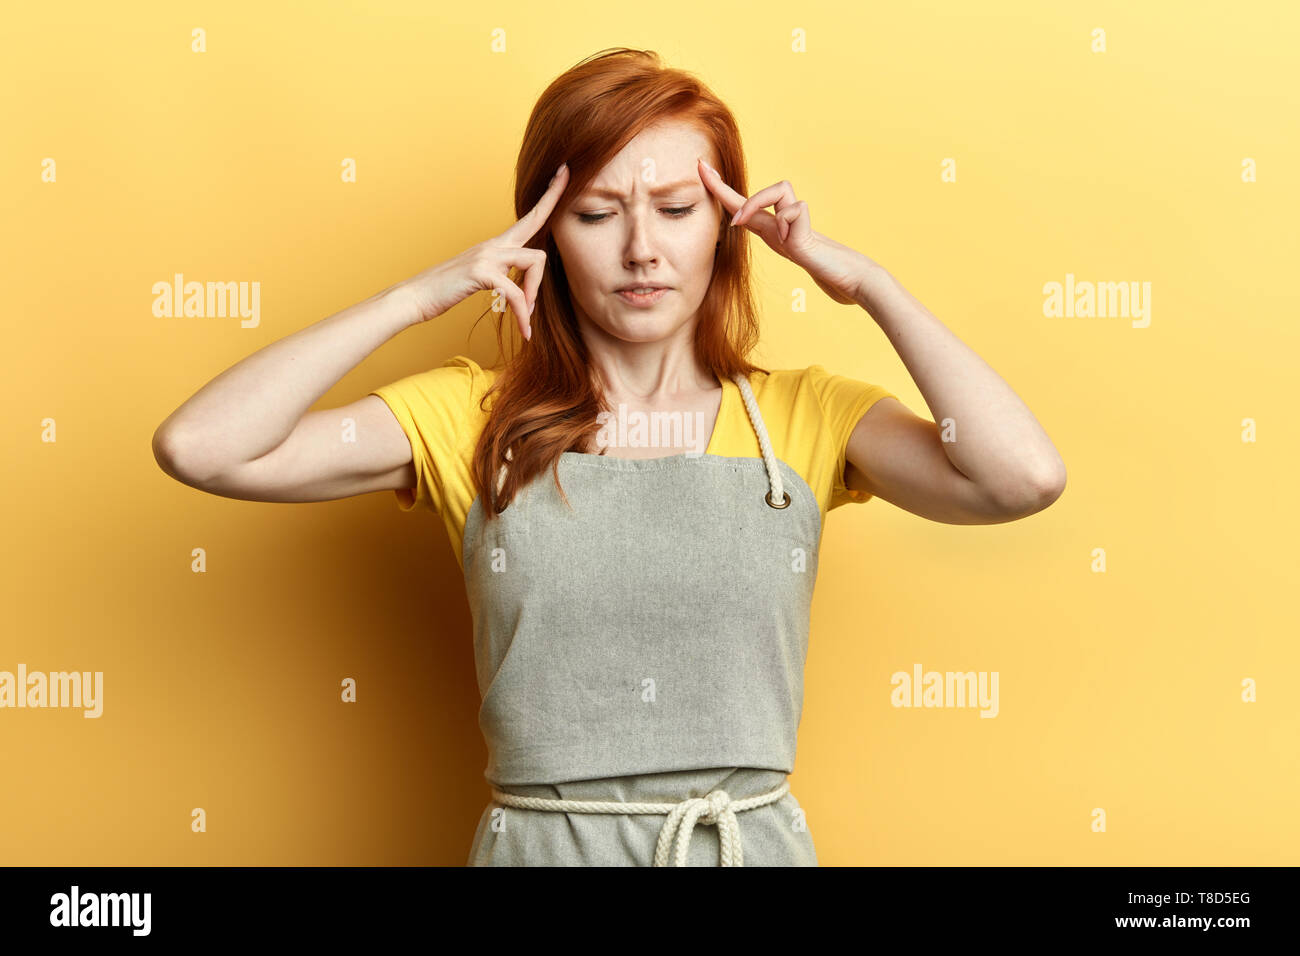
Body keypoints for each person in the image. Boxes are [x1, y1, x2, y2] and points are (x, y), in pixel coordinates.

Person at [151, 48, 1066, 866]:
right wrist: (415, 298)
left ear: (728, 227)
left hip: (742, 847)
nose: (641, 250)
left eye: (675, 209)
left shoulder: (800, 415)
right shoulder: (468, 420)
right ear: (542, 236)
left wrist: (869, 285)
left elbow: (1020, 478)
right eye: (596, 213)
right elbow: (201, 447)